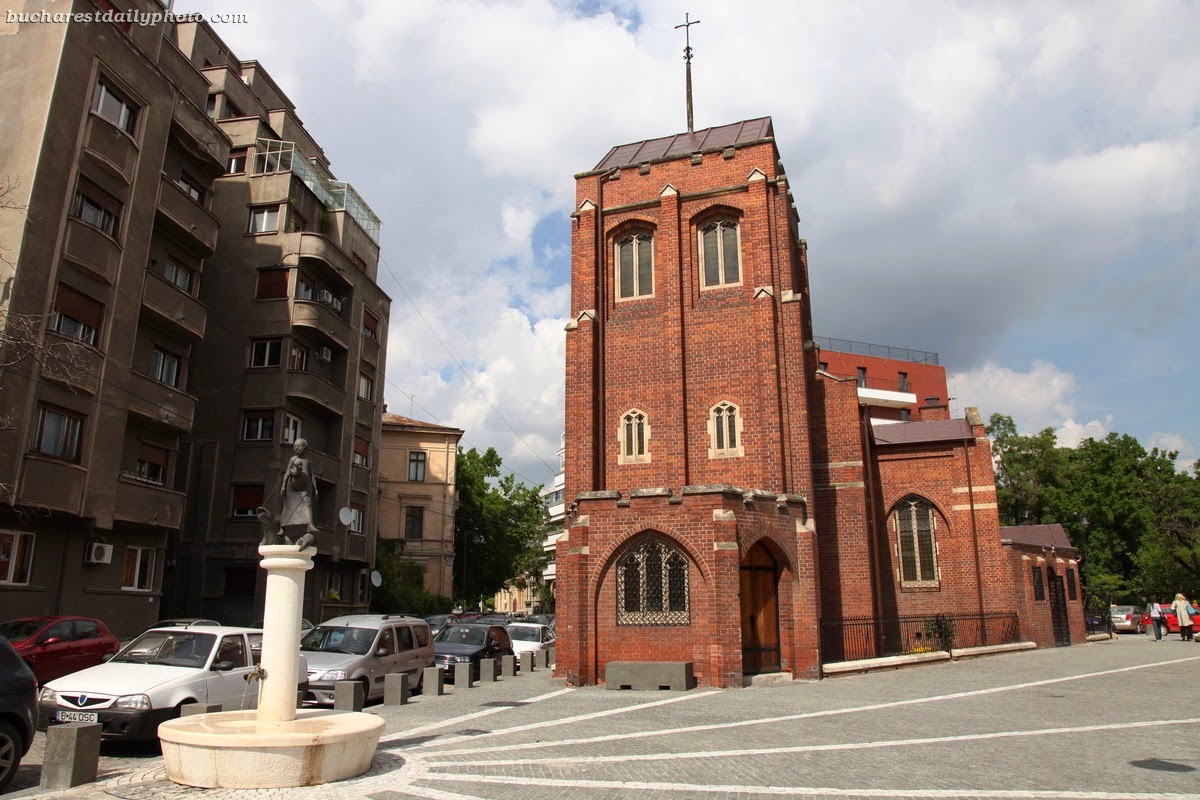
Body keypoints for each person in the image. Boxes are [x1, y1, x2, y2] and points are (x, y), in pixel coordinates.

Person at [280, 438, 319, 549]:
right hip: (292, 487)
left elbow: (312, 476)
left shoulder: (308, 461)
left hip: (306, 487)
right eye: (294, 445)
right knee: (287, 505)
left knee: (308, 504)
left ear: (304, 447)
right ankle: (282, 528)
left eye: (299, 446)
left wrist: (315, 488)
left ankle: (310, 524)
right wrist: (283, 486)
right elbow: (287, 472)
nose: (296, 448)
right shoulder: (292, 459)